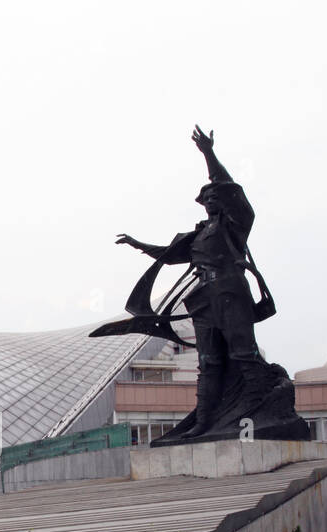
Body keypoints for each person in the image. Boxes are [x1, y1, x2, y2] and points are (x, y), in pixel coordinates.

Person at [115, 126, 272, 441]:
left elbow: (229, 188)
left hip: (230, 292)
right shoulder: (198, 234)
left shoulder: (236, 226)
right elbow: (169, 255)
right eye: (207, 197)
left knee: (242, 352)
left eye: (216, 195)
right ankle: (204, 420)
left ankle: (256, 404)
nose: (212, 198)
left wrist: (209, 154)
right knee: (208, 362)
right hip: (203, 300)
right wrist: (137, 244)